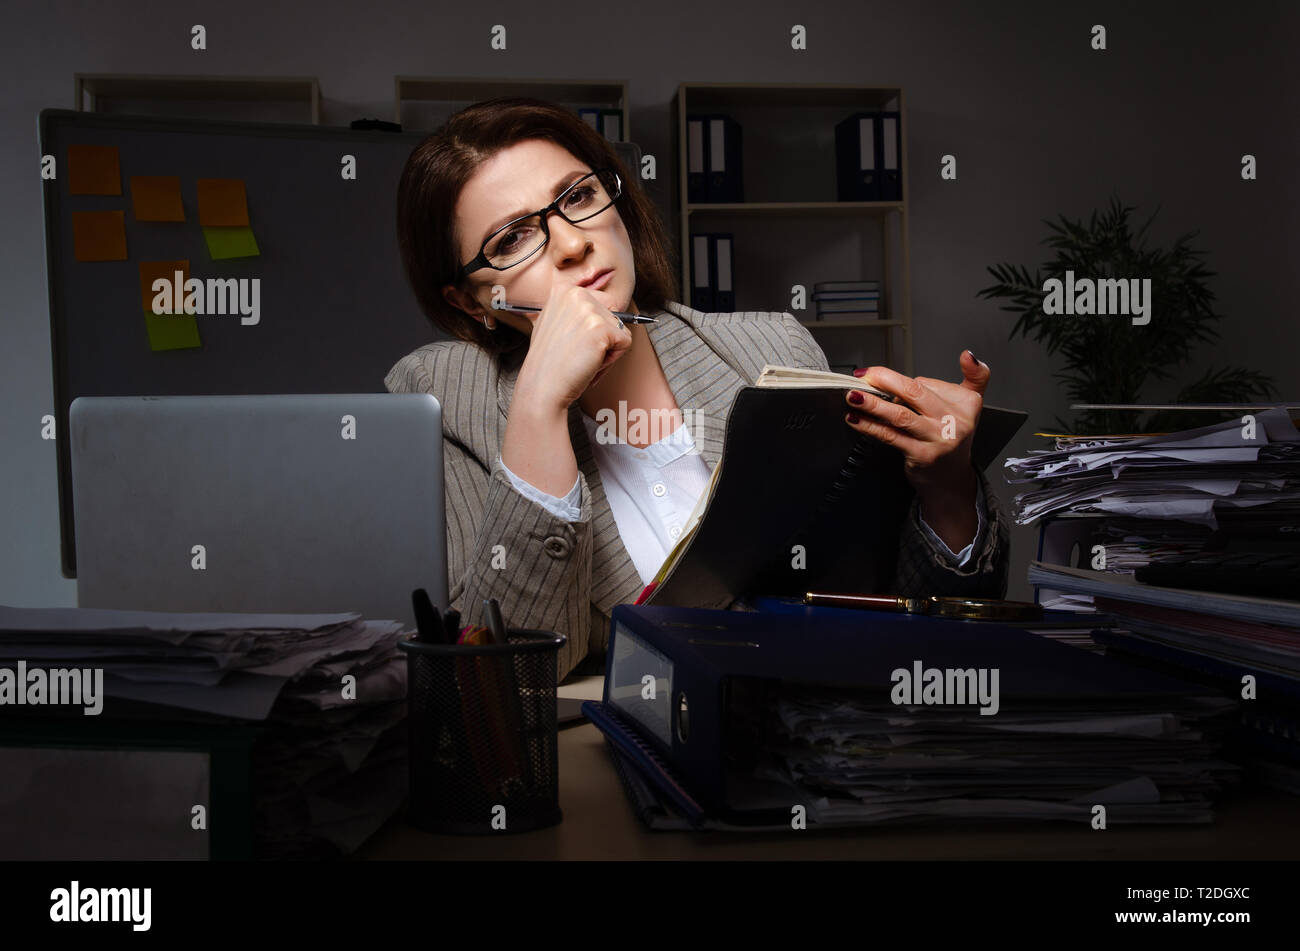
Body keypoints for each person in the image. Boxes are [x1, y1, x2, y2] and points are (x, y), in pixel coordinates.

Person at [387, 97, 1010, 680]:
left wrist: (948, 490)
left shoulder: (770, 348)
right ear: (472, 305)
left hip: (836, 737)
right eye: (513, 238)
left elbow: (914, 614)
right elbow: (502, 677)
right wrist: (538, 409)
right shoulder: (443, 397)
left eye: (578, 196)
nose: (574, 243)